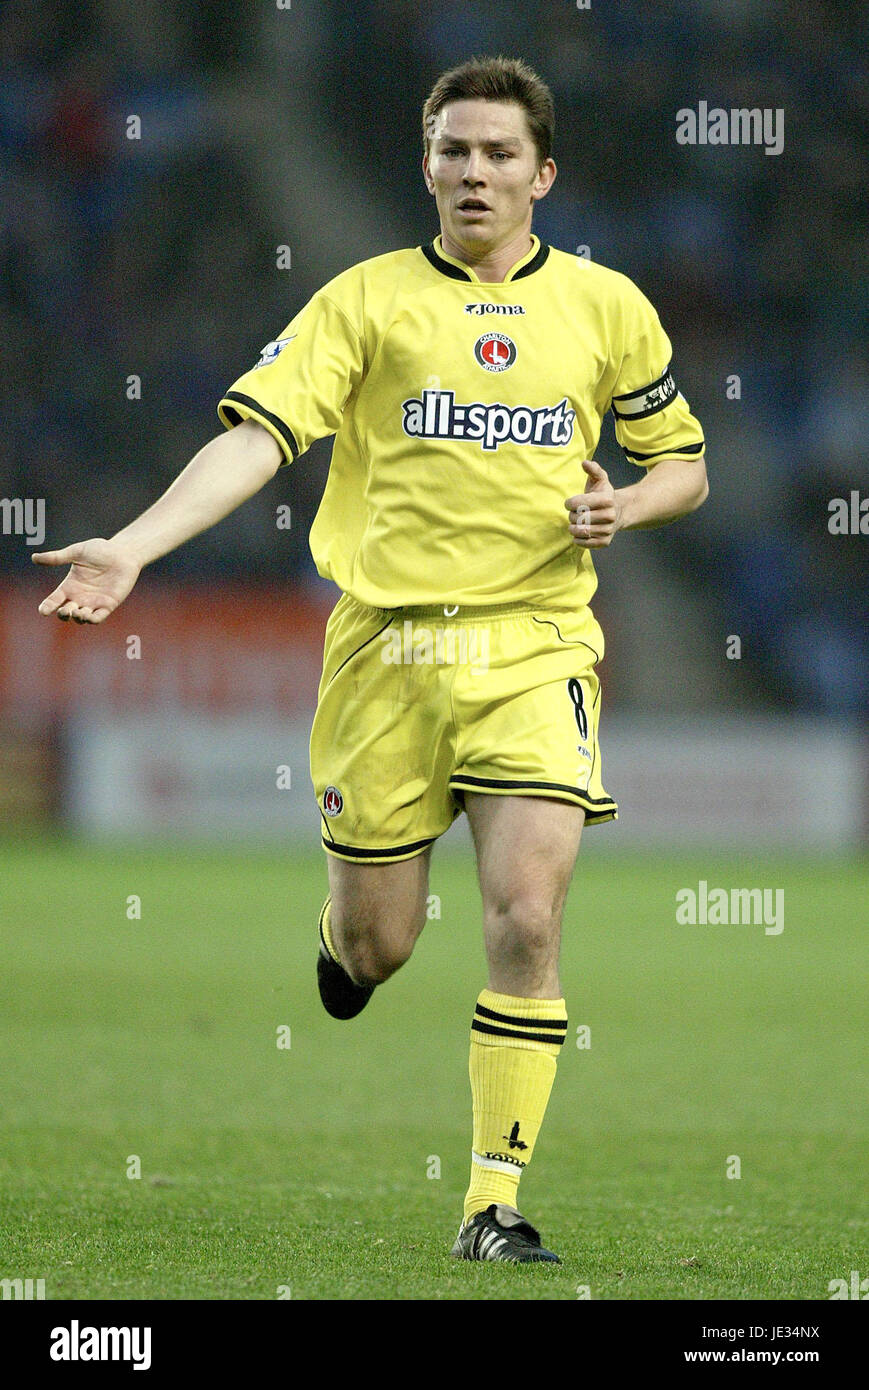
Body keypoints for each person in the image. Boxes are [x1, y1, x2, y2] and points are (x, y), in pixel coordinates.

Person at [34, 55, 707, 1264]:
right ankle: (347, 953)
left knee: (524, 918)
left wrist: (630, 510)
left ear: (542, 173)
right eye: (452, 150)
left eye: (499, 153)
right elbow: (254, 443)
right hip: (384, 655)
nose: (473, 172)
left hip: (536, 646)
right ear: (425, 166)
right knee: (377, 945)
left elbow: (683, 465)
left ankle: (489, 1203)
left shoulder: (608, 310)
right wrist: (133, 549)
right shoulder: (362, 300)